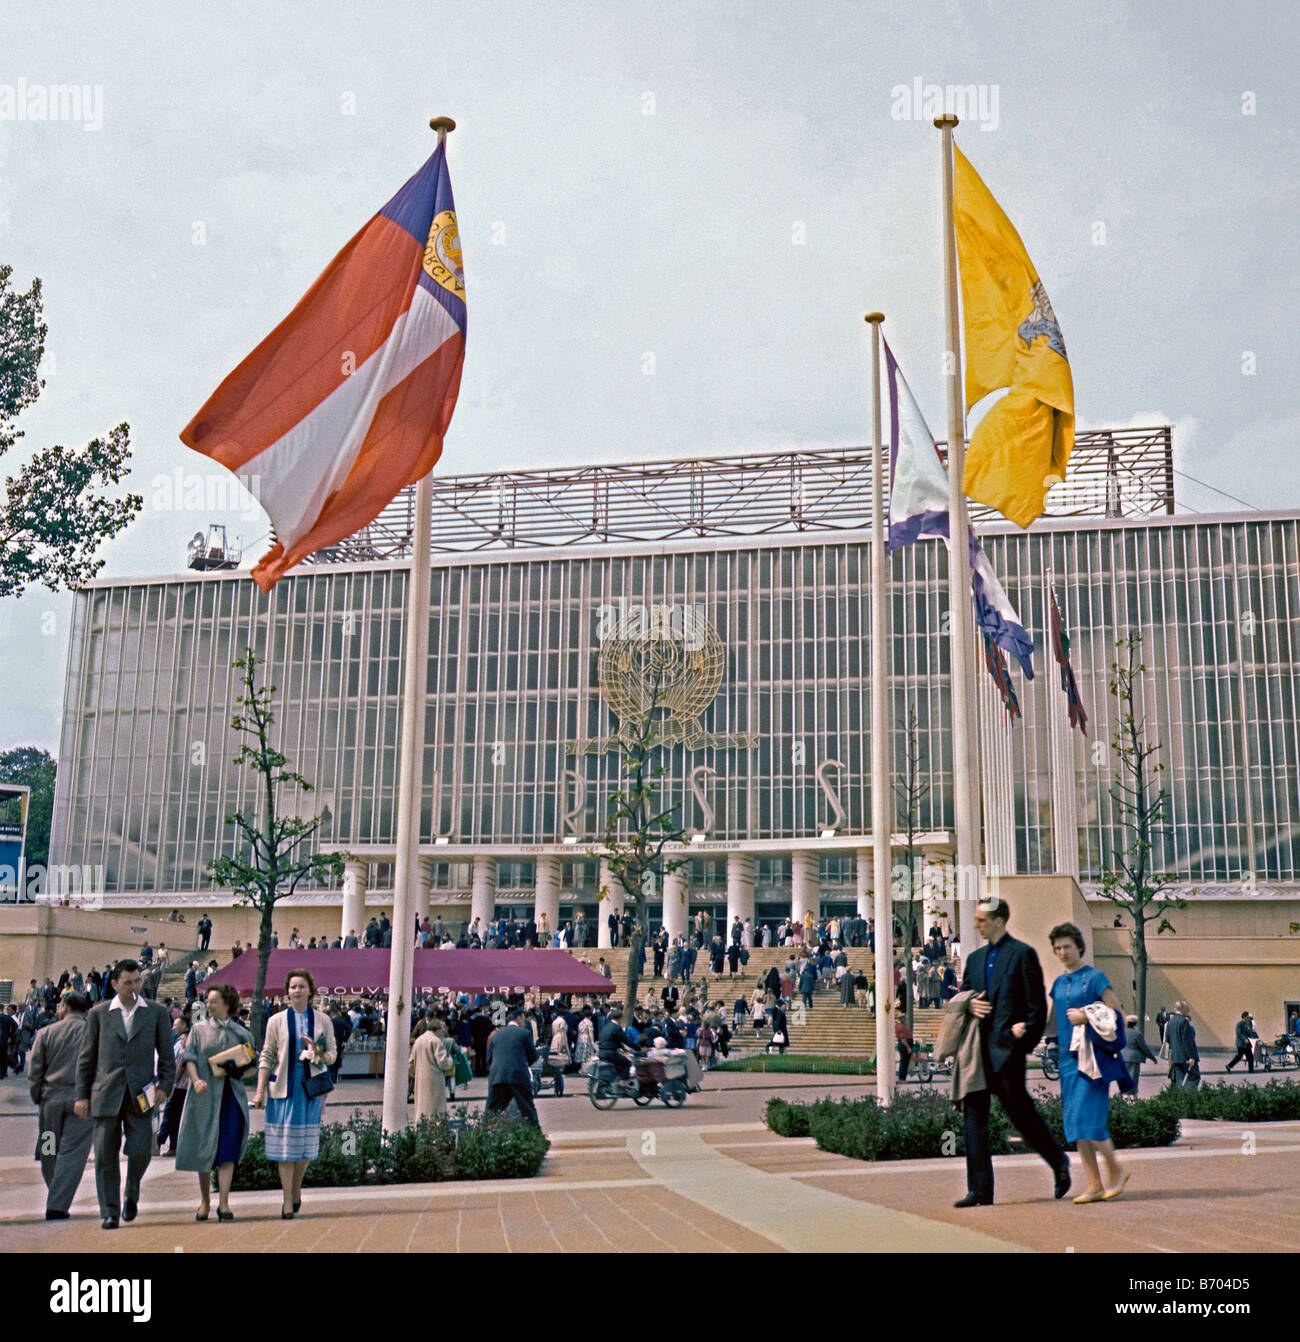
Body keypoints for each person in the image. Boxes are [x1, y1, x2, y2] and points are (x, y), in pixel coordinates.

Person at [953, 899, 1070, 1208]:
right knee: (974, 1117)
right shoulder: (975, 960)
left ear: (1000, 920)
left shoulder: (1022, 955)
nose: (976, 925)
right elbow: (964, 996)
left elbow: (1037, 1008)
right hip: (977, 1053)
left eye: (981, 920)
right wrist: (968, 1004)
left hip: (1007, 1054)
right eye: (976, 919)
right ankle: (980, 1191)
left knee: (1021, 1115)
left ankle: (1059, 1162)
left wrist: (1022, 1043)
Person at [74, 959, 175, 1230]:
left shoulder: (155, 1012)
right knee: (105, 1156)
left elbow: (167, 1055)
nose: (133, 987)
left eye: (137, 981)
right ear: (115, 983)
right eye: (128, 982)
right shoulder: (98, 1014)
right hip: (105, 1094)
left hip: (142, 1094)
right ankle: (110, 1210)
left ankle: (131, 1191)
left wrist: (164, 1086)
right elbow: (86, 1059)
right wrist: (81, 1096)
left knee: (141, 1150)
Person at [1046, 922, 1129, 1203]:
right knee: (1075, 1124)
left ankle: (1115, 1168)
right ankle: (1094, 1184)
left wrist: (1087, 1015)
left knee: (1086, 1117)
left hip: (1093, 1059)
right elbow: (1051, 1024)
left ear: (1078, 946)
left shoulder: (1095, 977)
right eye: (1057, 948)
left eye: (1067, 946)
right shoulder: (1058, 984)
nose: (1062, 952)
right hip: (1067, 1062)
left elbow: (1116, 1011)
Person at [253, 969, 337, 1219]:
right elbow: (267, 1055)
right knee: (285, 1146)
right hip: (283, 1088)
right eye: (293, 986)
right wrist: (260, 1091)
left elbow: (332, 1053)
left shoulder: (323, 1020)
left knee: (306, 1147)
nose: (297, 990)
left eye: (301, 986)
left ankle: (296, 1188)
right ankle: (287, 1199)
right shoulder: (276, 1021)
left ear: (310, 990)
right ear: (287, 991)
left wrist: (318, 1054)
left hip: (310, 1088)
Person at [177, 983, 253, 1221]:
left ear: (227, 1004)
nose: (208, 1005)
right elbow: (189, 1058)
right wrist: (196, 1079)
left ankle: (224, 1203)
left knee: (227, 1149)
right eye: (207, 1001)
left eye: (213, 1001)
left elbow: (253, 1062)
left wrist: (240, 1071)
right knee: (203, 1147)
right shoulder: (198, 1031)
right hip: (205, 1096)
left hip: (231, 1096)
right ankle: (204, 1200)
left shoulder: (241, 1033)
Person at [29, 993, 94, 1220]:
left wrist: (38, 1095)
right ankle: (57, 1202)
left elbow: (34, 1069)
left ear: (64, 1007)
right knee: (73, 1152)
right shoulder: (93, 1033)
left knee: (48, 1147)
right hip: (81, 1098)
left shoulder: (46, 1033)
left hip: (50, 1099)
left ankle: (55, 1195)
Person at [485, 1009, 540, 1125]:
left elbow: (488, 1058)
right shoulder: (524, 1033)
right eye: (524, 1019)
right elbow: (533, 1057)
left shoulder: (496, 1035)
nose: (525, 1023)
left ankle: (483, 1136)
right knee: (527, 1108)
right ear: (519, 1018)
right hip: (517, 1075)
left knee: (493, 1110)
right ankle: (536, 1136)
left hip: (497, 1076)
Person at [410, 1019, 454, 1122]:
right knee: (435, 1108)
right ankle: (435, 1131)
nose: (443, 1033)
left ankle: (422, 1126)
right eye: (442, 1030)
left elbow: (411, 1062)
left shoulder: (418, 1040)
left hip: (420, 1079)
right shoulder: (435, 1041)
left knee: (422, 1107)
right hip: (434, 1079)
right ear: (437, 1029)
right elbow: (444, 1063)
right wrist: (451, 1060)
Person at [1165, 1001, 1200, 1090]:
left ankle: (1181, 1099)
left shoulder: (1170, 1022)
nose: (1188, 1010)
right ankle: (1189, 1100)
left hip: (1176, 1057)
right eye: (1187, 1008)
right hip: (1186, 1057)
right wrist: (1191, 1057)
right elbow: (1187, 1041)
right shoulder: (1183, 1022)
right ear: (1182, 1008)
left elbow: (1168, 1039)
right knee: (1193, 1079)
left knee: (1181, 1081)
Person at [1122, 1015, 1158, 1089]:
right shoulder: (1137, 1033)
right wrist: (1153, 1058)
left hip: (1123, 1057)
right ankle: (1132, 1096)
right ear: (1135, 1023)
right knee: (1133, 1078)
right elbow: (1144, 1048)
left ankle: (1124, 1096)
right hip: (1134, 1058)